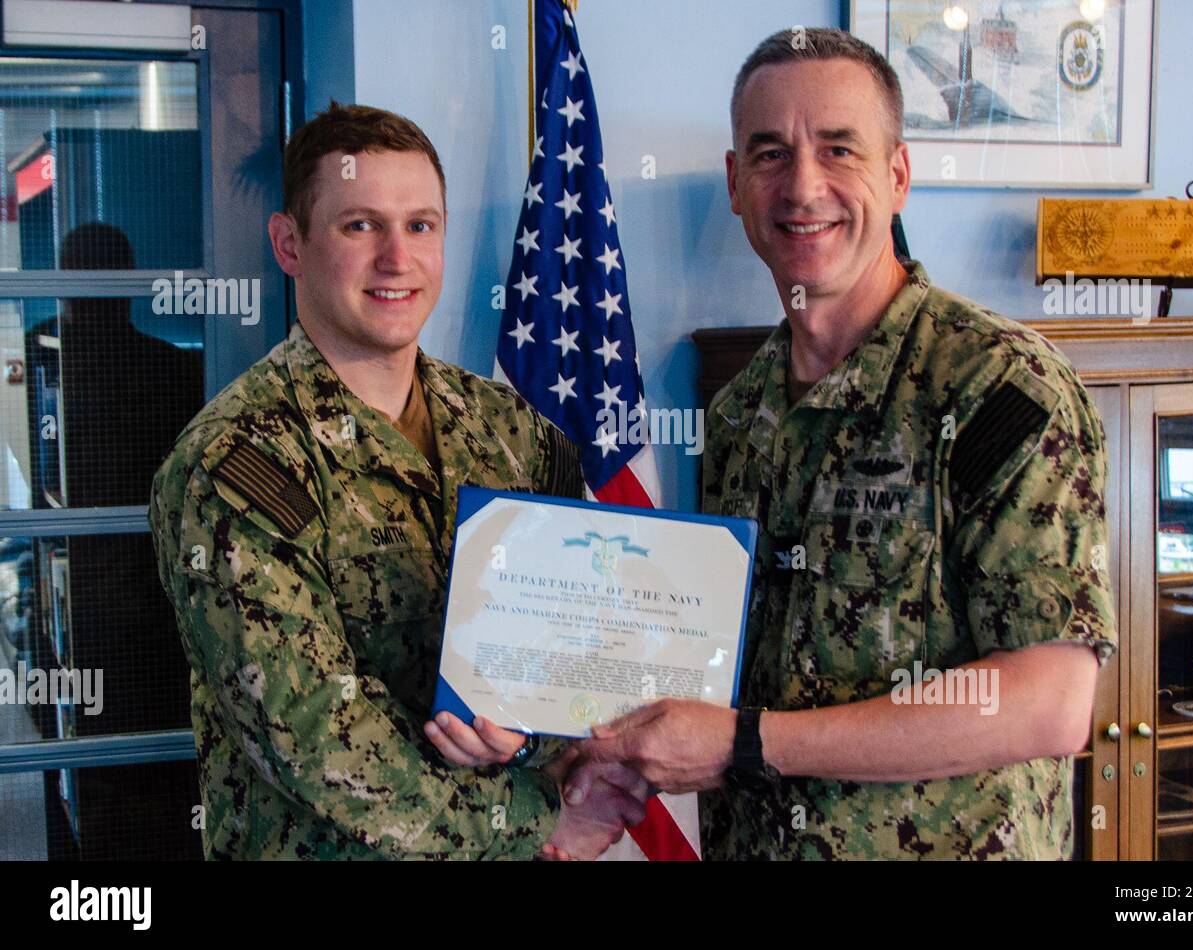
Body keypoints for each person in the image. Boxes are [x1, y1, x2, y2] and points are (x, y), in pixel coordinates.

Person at [571, 29, 1116, 859]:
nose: (803, 185)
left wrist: (749, 742)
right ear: (734, 184)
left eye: (838, 149)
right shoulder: (739, 407)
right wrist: (610, 754)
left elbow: (1050, 703)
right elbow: (724, 667)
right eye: (769, 154)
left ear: (897, 176)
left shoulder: (1000, 390)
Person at [150, 102, 646, 860]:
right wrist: (534, 819)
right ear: (290, 244)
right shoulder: (236, 463)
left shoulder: (512, 433)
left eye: (421, 226)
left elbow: (570, 641)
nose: (397, 258)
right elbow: (308, 732)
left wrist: (529, 739)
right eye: (360, 226)